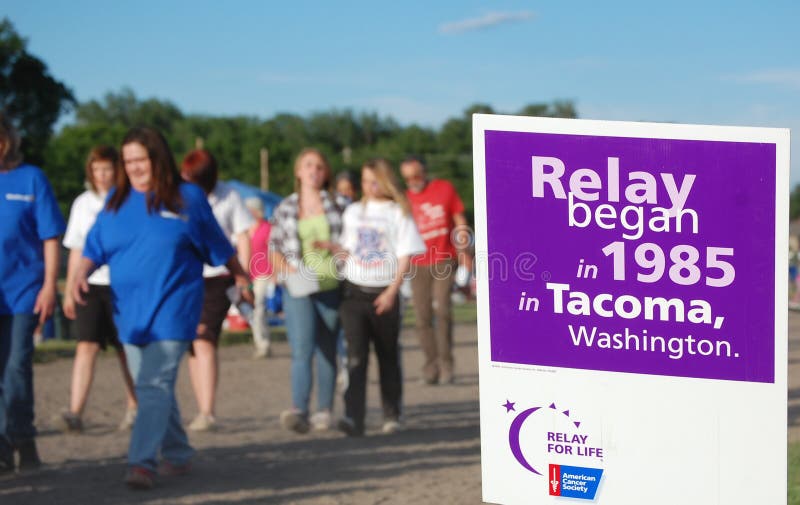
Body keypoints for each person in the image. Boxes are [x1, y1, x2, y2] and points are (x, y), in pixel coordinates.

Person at [72, 127, 251, 489]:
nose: (134, 168)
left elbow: (217, 241)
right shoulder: (117, 201)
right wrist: (80, 274)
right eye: (128, 162)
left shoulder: (187, 198)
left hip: (175, 306)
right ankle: (178, 453)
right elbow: (94, 246)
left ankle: (141, 463)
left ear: (158, 158)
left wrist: (240, 275)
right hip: (130, 312)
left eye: (141, 159)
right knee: (151, 384)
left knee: (154, 384)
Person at [325, 158, 425, 437]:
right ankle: (352, 416)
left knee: (387, 355)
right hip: (354, 292)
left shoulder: (398, 211)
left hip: (385, 293)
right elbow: (348, 248)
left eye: (375, 180)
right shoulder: (354, 211)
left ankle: (392, 414)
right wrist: (333, 248)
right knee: (355, 357)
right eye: (366, 180)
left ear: (386, 181)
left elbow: (405, 256)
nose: (370, 186)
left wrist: (392, 292)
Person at [0, 112, 65, 473]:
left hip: (24, 290)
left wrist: (50, 285)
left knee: (15, 366)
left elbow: (50, 236)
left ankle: (22, 438)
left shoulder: (31, 179)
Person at [58, 146, 137, 433]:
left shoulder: (129, 200)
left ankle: (134, 406)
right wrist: (70, 288)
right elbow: (76, 248)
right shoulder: (83, 204)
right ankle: (75, 411)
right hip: (90, 285)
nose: (101, 175)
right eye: (96, 169)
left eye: (107, 168)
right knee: (86, 345)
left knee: (125, 348)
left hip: (122, 285)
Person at [180, 149, 253, 432]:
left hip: (219, 275)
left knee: (204, 338)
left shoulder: (229, 195)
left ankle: (208, 411)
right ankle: (202, 407)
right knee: (192, 343)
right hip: (188, 276)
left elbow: (243, 236)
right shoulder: (180, 195)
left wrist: (242, 276)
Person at [269, 148, 341, 434]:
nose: (314, 171)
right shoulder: (285, 207)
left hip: (332, 284)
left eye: (320, 166)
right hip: (297, 286)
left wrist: (337, 249)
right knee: (301, 348)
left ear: (326, 173)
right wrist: (288, 270)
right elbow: (273, 248)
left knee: (327, 349)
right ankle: (299, 408)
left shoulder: (339, 204)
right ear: (298, 172)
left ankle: (324, 410)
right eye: (308, 165)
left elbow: (353, 242)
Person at [400, 156, 469, 385]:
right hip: (417, 263)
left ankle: (447, 364)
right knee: (422, 317)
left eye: (416, 175)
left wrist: (464, 253)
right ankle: (431, 366)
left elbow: (459, 221)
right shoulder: (404, 199)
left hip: (444, 259)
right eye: (407, 178)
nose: (413, 181)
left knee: (443, 310)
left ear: (425, 172)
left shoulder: (444, 189)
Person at [245, 196, 274, 359]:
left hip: (264, 272)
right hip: (247, 274)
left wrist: (275, 272)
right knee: (252, 310)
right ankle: (263, 341)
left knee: (258, 307)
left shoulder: (268, 228)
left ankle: (262, 344)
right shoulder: (244, 228)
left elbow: (274, 251)